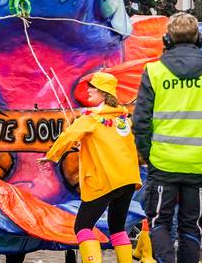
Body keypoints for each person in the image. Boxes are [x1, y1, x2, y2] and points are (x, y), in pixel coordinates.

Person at [132, 12, 202, 263]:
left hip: (163, 162)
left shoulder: (154, 71)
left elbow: (140, 120)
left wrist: (147, 154)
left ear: (166, 40)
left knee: (159, 221)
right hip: (200, 164)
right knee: (192, 226)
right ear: (199, 39)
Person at [42, 72, 141, 263]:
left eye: (92, 87)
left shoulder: (92, 118)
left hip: (105, 180)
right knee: (118, 229)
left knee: (83, 227)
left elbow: (68, 135)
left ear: (103, 92)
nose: (88, 90)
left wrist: (51, 156)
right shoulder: (123, 119)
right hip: (127, 180)